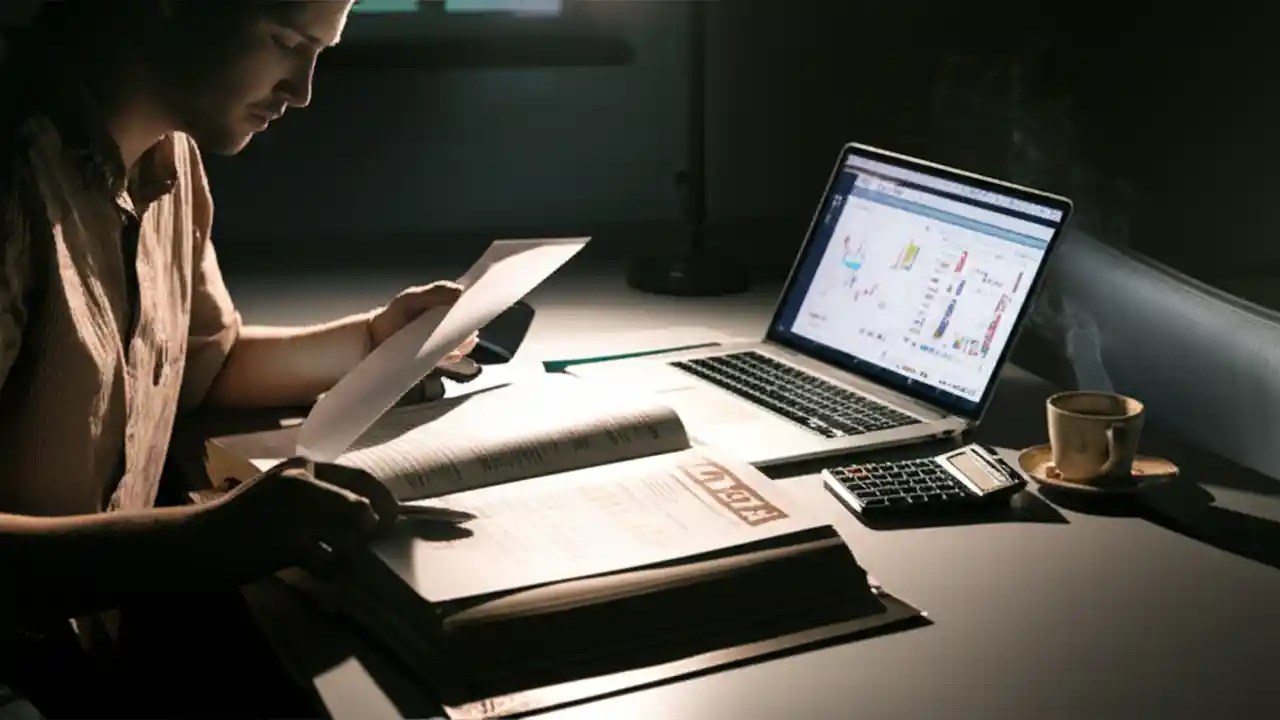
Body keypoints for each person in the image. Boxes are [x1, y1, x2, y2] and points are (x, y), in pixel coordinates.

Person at [0, 1, 475, 716]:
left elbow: (199, 366)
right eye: (287, 40)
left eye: (321, 50)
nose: (303, 90)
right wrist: (210, 537)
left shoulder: (172, 161)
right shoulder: (12, 177)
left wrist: (376, 342)